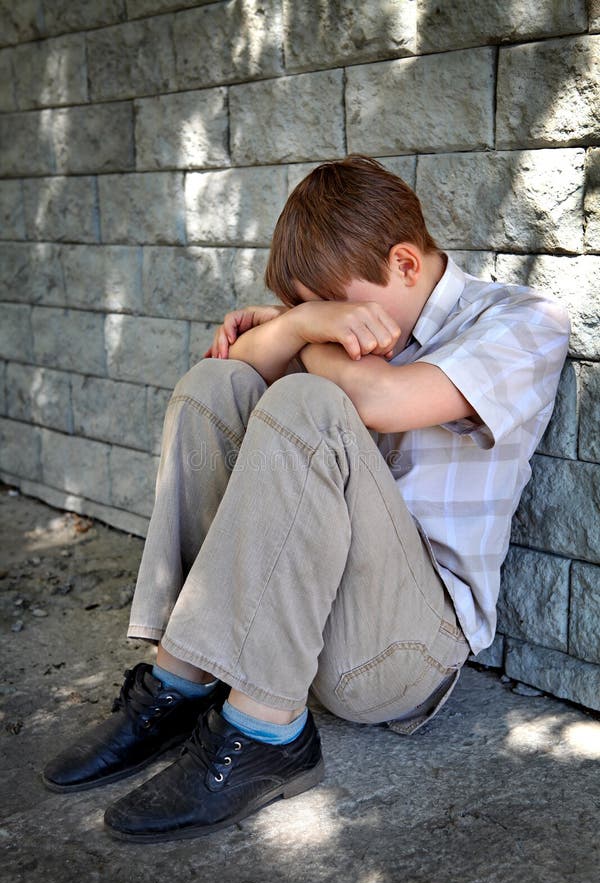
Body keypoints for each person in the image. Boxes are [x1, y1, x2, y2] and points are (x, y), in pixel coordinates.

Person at [42, 155, 570, 842]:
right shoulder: (338, 324)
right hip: (294, 628)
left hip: (397, 656)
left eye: (333, 306)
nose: (325, 323)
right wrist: (299, 327)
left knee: (309, 403)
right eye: (307, 309)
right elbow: (230, 371)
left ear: (405, 265)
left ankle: (264, 730)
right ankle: (182, 687)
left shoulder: (522, 321)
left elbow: (381, 399)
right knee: (214, 388)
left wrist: (304, 340)